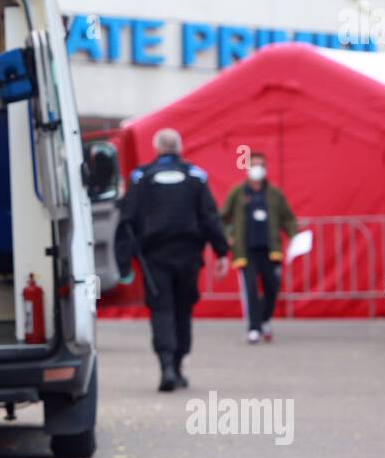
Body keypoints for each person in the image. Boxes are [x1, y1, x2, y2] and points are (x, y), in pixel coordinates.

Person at [116, 128, 230, 392]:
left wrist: (123, 262)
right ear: (179, 148)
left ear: (156, 149)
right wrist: (221, 251)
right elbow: (210, 217)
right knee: (182, 309)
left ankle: (166, 365)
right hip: (188, 255)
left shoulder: (141, 177)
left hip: (154, 257)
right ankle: (177, 367)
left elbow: (127, 220)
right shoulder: (195, 177)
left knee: (161, 309)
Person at [220, 150, 298, 344]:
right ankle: (253, 327)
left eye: (261, 165)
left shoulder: (274, 194)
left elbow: (288, 218)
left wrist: (294, 236)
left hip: (270, 249)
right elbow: (222, 218)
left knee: (272, 287)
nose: (257, 169)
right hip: (245, 250)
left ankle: (264, 320)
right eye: (253, 165)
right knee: (251, 288)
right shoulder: (238, 192)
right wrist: (228, 236)